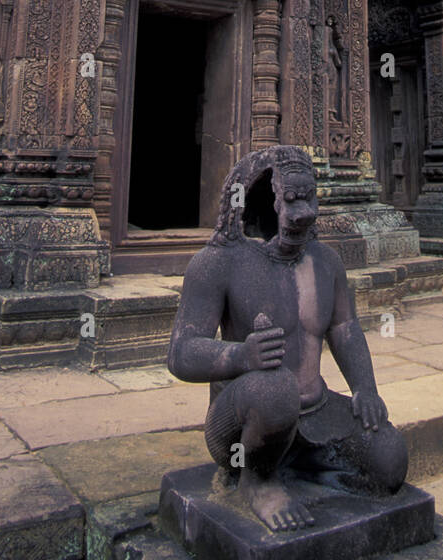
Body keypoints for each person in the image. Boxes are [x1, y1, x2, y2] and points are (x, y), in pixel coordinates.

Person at [167, 146, 408, 533]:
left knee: (389, 461)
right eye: (290, 200)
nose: (303, 213)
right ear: (262, 199)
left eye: (309, 197)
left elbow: (345, 329)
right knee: (278, 388)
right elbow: (180, 353)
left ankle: (298, 466)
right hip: (244, 423)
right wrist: (241, 357)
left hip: (316, 415)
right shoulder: (218, 264)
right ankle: (257, 479)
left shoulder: (327, 263)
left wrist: (365, 388)